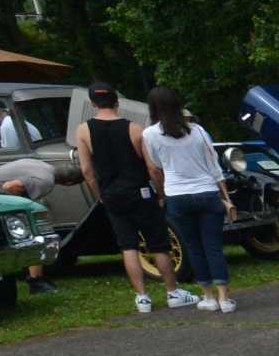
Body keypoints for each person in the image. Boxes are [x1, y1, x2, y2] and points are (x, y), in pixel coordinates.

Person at [72, 80, 196, 313]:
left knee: (128, 245)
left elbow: (87, 170)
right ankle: (172, 292)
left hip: (111, 194)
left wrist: (99, 194)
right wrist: (160, 193)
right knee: (158, 243)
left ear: (92, 103)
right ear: (117, 101)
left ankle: (142, 298)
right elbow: (152, 168)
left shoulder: (83, 130)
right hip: (140, 192)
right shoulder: (135, 128)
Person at [141, 87, 237, 313]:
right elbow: (214, 166)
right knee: (213, 247)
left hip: (177, 195)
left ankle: (208, 296)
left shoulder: (149, 134)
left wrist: (163, 194)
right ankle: (224, 298)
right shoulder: (199, 131)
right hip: (206, 192)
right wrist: (226, 197)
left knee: (194, 247)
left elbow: (156, 165)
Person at [0, 155, 84, 296]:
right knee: (33, 232)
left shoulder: (43, 166)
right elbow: (9, 186)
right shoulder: (46, 181)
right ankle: (36, 281)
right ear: (69, 183)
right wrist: (21, 205)